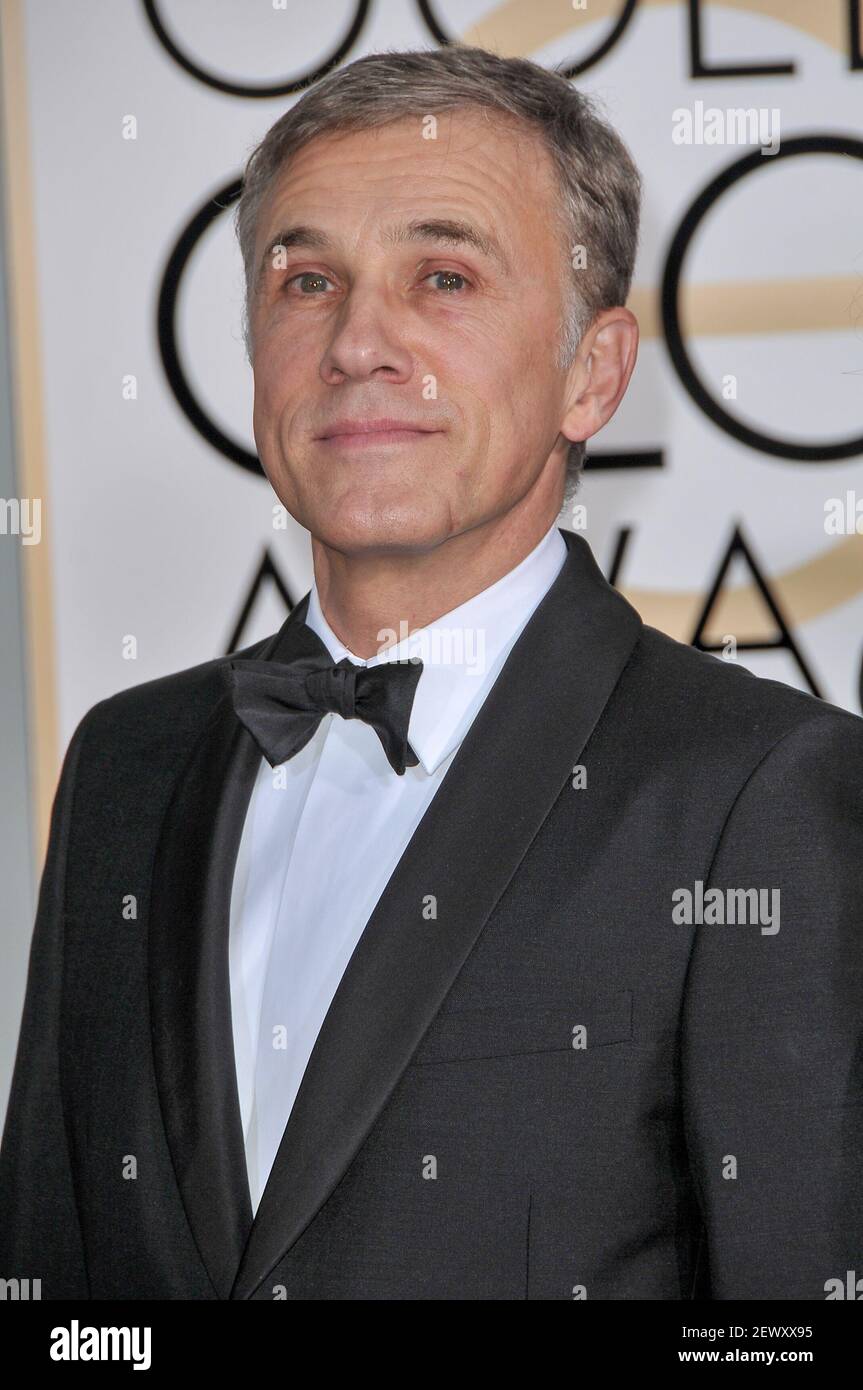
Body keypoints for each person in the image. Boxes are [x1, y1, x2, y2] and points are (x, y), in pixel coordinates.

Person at [1, 45, 861, 1301]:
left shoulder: (753, 793)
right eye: (305, 281)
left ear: (593, 373)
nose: (356, 342)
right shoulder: (126, 762)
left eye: (442, 276)